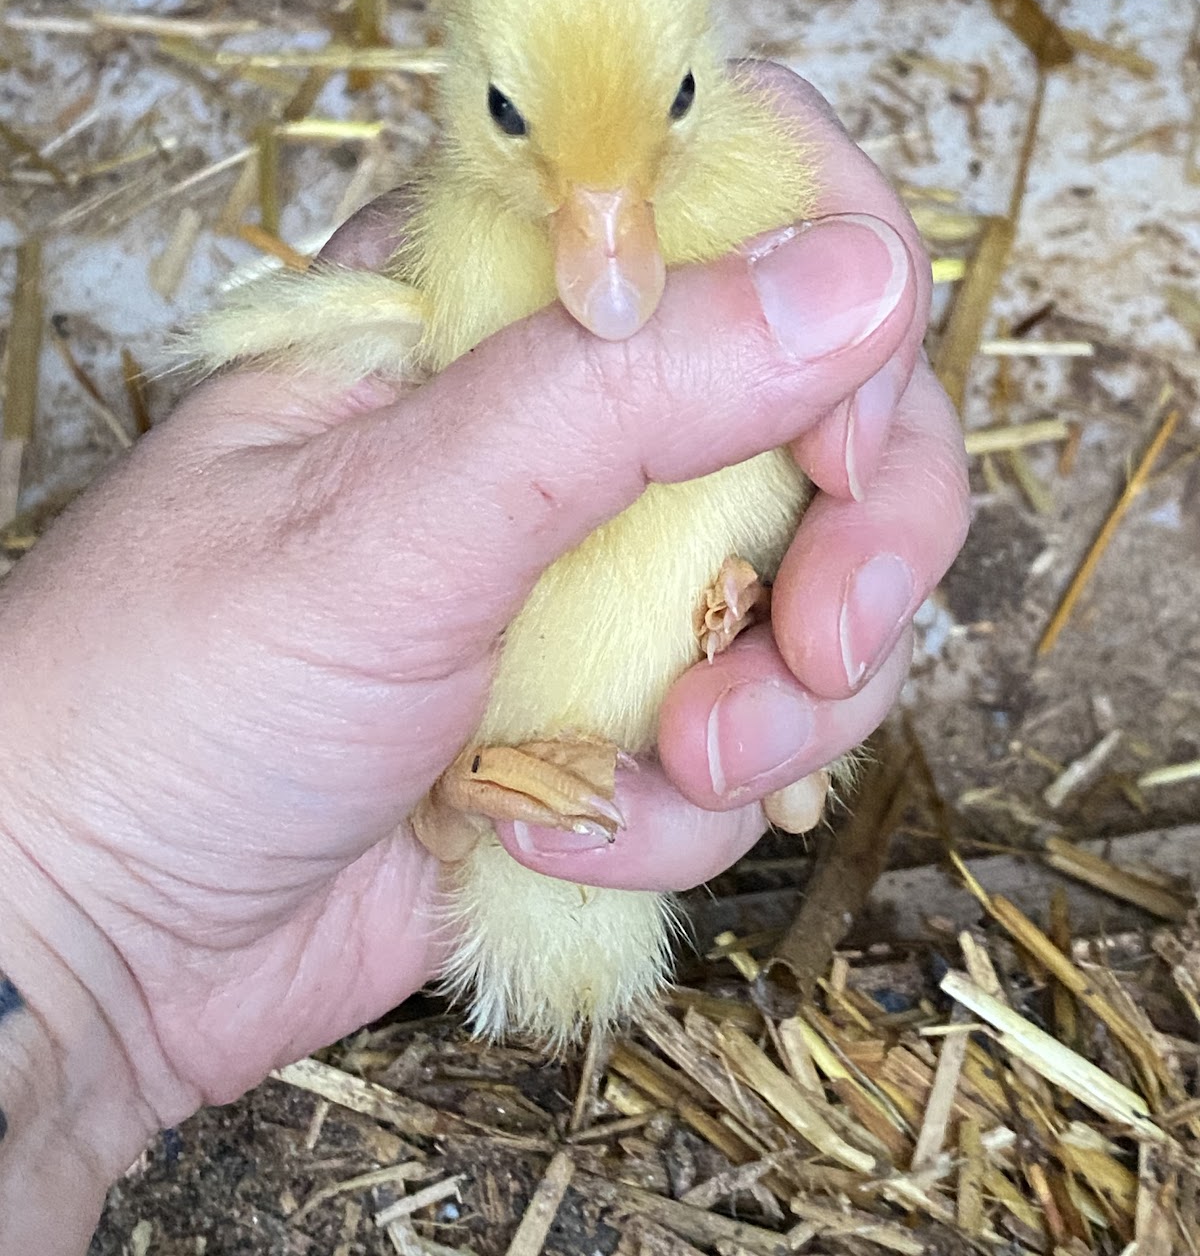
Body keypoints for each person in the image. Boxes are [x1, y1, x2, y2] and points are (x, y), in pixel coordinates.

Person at [0, 67, 969, 1251]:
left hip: (585, 746)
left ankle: (595, 737)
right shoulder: (453, 254)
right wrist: (56, 896)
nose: (606, 248)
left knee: (796, 639)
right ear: (471, 90)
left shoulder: (748, 184)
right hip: (478, 778)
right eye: (519, 116)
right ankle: (472, 787)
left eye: (666, 98)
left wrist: (54, 903)